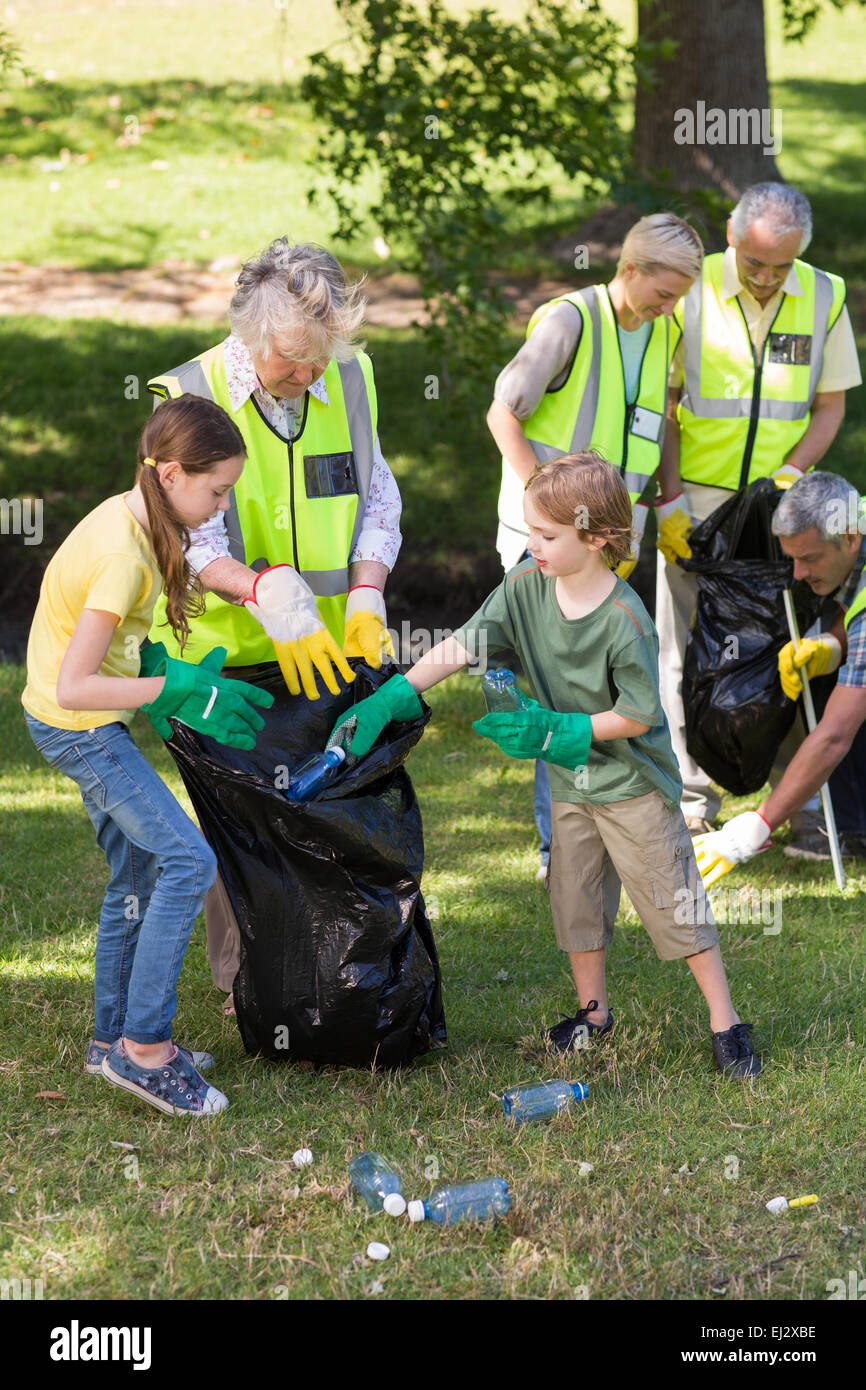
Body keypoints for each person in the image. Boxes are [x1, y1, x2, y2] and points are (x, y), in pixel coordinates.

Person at [330, 453, 760, 1079]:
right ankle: (594, 1015)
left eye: (548, 536)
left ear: (598, 539)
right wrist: (393, 697)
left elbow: (639, 716)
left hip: (631, 784)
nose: (532, 547)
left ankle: (727, 1023)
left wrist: (557, 727)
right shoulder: (525, 587)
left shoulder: (625, 621)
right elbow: (464, 642)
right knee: (575, 897)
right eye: (530, 532)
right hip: (570, 781)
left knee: (674, 900)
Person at [147, 238, 403, 1009]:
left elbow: (378, 497)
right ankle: (250, 990)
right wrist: (265, 595)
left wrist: (366, 594)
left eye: (321, 356)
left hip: (330, 652)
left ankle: (331, 979)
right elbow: (188, 542)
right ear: (248, 336)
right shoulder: (187, 396)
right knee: (242, 833)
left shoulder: (349, 378)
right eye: (292, 359)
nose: (309, 374)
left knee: (326, 812)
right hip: (224, 662)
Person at [21, 396, 274, 1116]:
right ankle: (146, 1052)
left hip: (77, 716)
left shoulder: (130, 515)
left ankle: (109, 1044)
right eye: (216, 490)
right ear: (169, 474)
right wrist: (173, 684)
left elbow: (100, 652)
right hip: (79, 725)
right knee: (190, 862)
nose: (221, 506)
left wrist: (160, 670)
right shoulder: (123, 557)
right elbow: (78, 682)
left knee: (136, 867)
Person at [487, 213, 704, 879]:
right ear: (629, 269)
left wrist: (664, 501)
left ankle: (595, 846)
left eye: (680, 296)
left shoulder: (663, 326)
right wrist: (550, 515)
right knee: (571, 701)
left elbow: (660, 418)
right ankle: (565, 856)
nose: (672, 307)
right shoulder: (569, 322)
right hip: (547, 546)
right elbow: (503, 413)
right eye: (663, 292)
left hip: (610, 543)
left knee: (606, 700)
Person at [656, 182, 862, 844]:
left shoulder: (824, 295)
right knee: (682, 647)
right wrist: (668, 502)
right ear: (730, 236)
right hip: (699, 504)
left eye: (783, 266)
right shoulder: (689, 288)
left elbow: (830, 405)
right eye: (755, 264)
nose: (769, 279)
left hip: (784, 508)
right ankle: (690, 799)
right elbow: (663, 404)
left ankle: (798, 811)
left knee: (793, 648)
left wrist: (791, 475)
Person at [695, 471, 866, 883]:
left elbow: (833, 738)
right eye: (792, 557)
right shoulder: (856, 519)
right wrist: (834, 645)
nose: (796, 573)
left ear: (849, 539)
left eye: (808, 558)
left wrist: (758, 825)